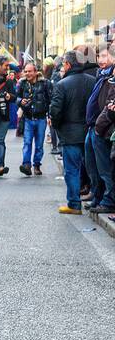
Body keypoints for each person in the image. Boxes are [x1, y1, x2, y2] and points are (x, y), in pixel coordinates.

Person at [49, 48, 97, 215]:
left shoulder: (62, 84)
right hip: (89, 130)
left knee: (72, 170)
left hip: (69, 133)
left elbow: (55, 111)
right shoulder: (92, 81)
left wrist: (56, 125)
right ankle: (96, 197)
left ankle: (74, 204)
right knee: (92, 168)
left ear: (68, 65)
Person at [82, 46, 115, 214]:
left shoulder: (110, 76)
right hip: (94, 126)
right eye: (99, 56)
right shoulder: (101, 75)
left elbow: (109, 105)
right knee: (92, 165)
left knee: (104, 167)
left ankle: (108, 200)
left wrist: (99, 126)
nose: (101, 60)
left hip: (102, 128)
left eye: (104, 56)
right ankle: (98, 196)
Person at [16, 61, 53, 177]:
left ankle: (37, 165)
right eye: (25, 71)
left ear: (36, 72)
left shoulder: (45, 83)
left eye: (30, 71)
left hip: (41, 118)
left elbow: (51, 100)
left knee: (39, 144)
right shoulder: (22, 84)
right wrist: (20, 101)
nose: (27, 73)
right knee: (27, 142)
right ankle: (26, 165)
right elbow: (16, 97)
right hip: (27, 118)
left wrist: (50, 116)